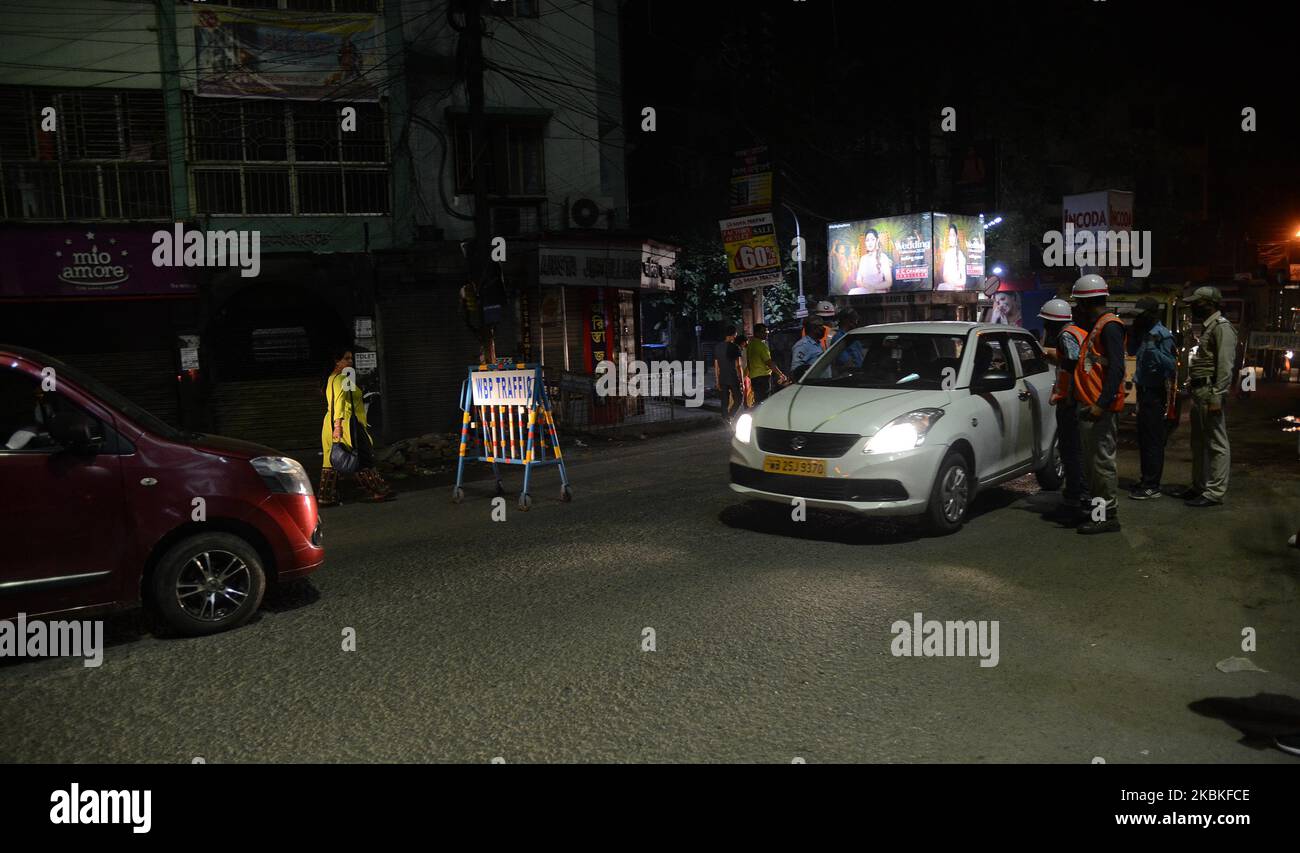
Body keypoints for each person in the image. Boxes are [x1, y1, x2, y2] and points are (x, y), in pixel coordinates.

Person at [1071, 275, 1126, 535]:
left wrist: (1100, 405)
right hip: (1092, 406)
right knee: (1093, 465)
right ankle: (1098, 513)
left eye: (1079, 303)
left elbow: (1117, 369)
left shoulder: (1109, 326)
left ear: (1087, 302)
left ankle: (1106, 517)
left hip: (1099, 409)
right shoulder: (1099, 326)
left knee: (1101, 465)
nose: (1076, 309)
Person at [1180, 286, 1237, 507]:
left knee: (1216, 444)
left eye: (1198, 303)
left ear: (1210, 304)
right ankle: (1200, 486)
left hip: (1209, 392)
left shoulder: (1222, 328)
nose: (1193, 307)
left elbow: (1225, 366)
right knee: (1199, 443)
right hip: (1200, 392)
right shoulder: (1209, 327)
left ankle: (1214, 492)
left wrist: (1217, 397)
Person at [1038, 298, 1090, 526]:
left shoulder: (1066, 335)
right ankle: (1076, 499)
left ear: (1051, 322)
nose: (1044, 327)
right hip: (1078, 399)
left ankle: (1078, 502)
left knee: (1072, 453)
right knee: (1075, 452)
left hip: (1071, 402)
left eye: (1045, 322)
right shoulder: (1079, 331)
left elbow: (1072, 361)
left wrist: (1054, 357)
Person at [320, 348, 395, 506]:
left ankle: (326, 497)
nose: (350, 362)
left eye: (351, 359)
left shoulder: (333, 379)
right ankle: (378, 490)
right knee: (361, 455)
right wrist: (338, 426)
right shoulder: (340, 379)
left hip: (332, 423)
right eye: (346, 359)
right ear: (337, 361)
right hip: (345, 423)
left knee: (330, 459)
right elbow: (340, 402)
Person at [1128, 297, 1178, 500]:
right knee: (1144, 438)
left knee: (1153, 440)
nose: (1137, 319)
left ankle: (1152, 485)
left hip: (1155, 392)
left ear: (1151, 314)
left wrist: (1152, 349)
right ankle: (1146, 479)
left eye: (1140, 316)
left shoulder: (1162, 335)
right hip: (1143, 391)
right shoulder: (1145, 333)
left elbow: (1171, 365)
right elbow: (1131, 351)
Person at [747, 323, 786, 405]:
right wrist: (781, 374)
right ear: (757, 333)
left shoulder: (751, 345)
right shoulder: (761, 346)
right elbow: (769, 362)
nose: (766, 333)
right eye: (764, 332)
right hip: (762, 378)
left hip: (754, 377)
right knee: (764, 401)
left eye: (767, 331)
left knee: (758, 401)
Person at [714, 325, 744, 423]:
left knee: (724, 401)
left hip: (722, 377)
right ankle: (731, 416)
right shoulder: (735, 347)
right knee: (739, 399)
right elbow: (739, 366)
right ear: (733, 334)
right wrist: (742, 381)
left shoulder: (717, 347)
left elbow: (716, 366)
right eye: (735, 333)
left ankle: (725, 419)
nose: (736, 335)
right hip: (732, 377)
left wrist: (717, 381)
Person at [852, 228, 893, 293]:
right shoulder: (863, 259)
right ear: (865, 242)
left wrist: (874, 288)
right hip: (865, 290)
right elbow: (858, 281)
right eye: (867, 240)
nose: (870, 243)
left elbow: (889, 282)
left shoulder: (883, 257)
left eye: (872, 239)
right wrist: (868, 287)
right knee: (853, 292)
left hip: (878, 291)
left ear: (877, 241)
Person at [937, 223, 967, 290]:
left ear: (957, 237)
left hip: (958, 288)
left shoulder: (960, 255)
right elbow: (944, 276)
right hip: (948, 287)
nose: (951, 238)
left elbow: (963, 280)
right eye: (949, 235)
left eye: (953, 235)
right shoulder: (947, 253)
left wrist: (955, 284)